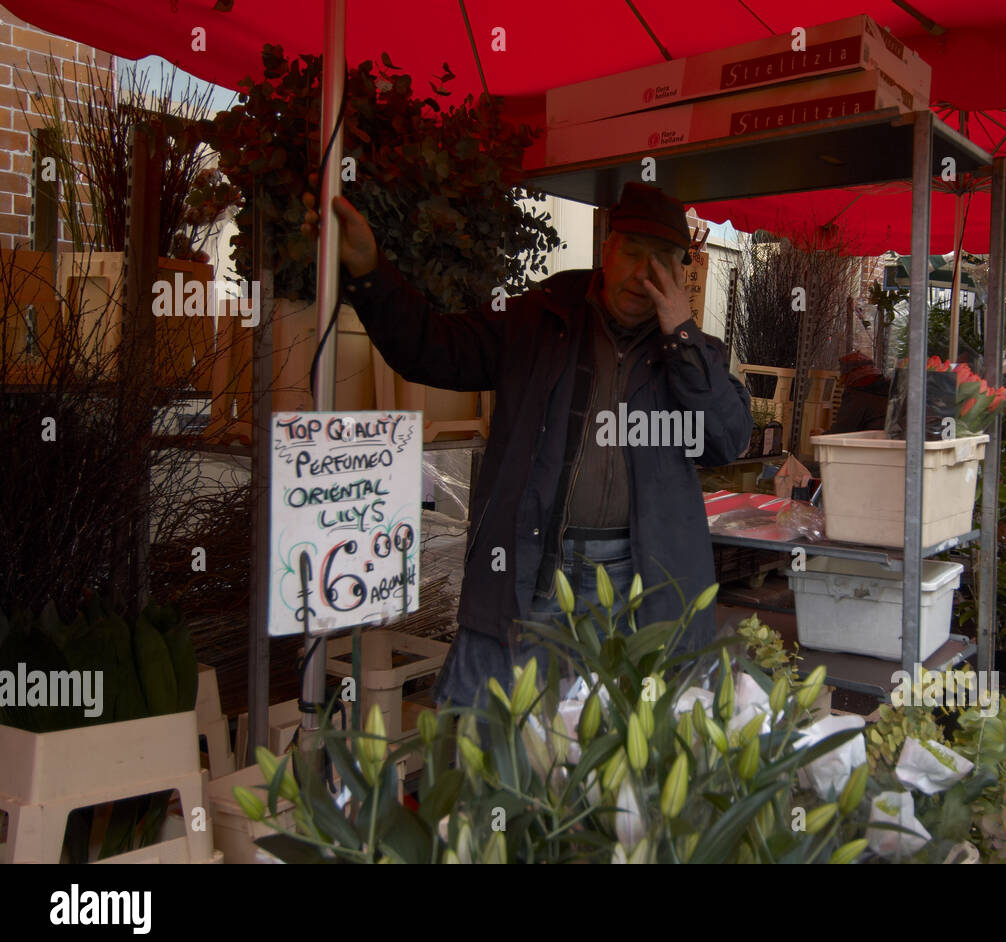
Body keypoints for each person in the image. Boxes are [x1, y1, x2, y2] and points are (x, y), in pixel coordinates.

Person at [302, 182, 752, 710]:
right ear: (607, 249)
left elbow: (726, 439)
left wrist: (681, 335)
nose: (642, 276)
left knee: (619, 749)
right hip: (531, 564)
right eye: (632, 254)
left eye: (662, 264)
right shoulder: (539, 320)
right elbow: (430, 349)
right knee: (499, 737)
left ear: (682, 273)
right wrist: (369, 270)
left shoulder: (696, 354)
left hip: (639, 580)